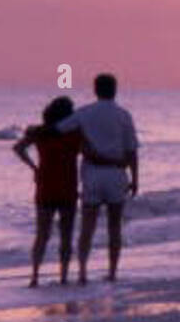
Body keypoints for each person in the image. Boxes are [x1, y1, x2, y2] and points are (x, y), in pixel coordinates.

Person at [55, 73, 139, 284]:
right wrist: (135, 178)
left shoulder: (85, 112)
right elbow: (132, 151)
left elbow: (58, 129)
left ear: (95, 90)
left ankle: (82, 272)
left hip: (92, 173)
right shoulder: (123, 115)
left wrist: (82, 142)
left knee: (87, 225)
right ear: (115, 90)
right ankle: (112, 272)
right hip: (116, 173)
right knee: (114, 226)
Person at [13, 97, 82, 288]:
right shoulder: (75, 134)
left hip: (46, 186)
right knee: (66, 235)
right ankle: (64, 277)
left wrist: (33, 167)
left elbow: (18, 148)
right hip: (68, 186)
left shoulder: (39, 133)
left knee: (42, 234)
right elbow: (89, 151)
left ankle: (34, 276)